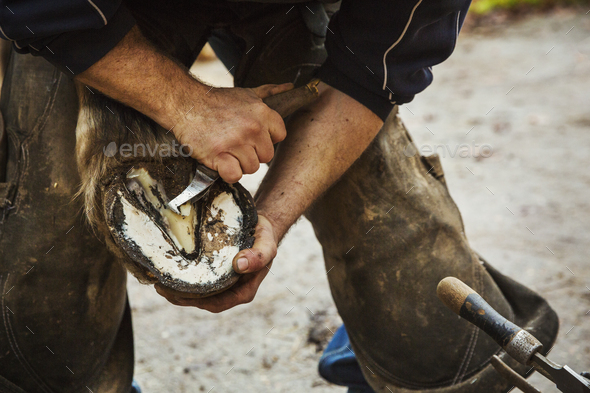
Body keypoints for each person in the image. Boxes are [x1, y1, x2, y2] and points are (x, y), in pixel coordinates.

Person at [0, 1, 558, 392]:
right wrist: (185, 105)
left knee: (395, 237)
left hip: (301, 5)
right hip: (97, 9)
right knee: (47, 246)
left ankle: (411, 369)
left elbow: (374, 68)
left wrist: (270, 218)